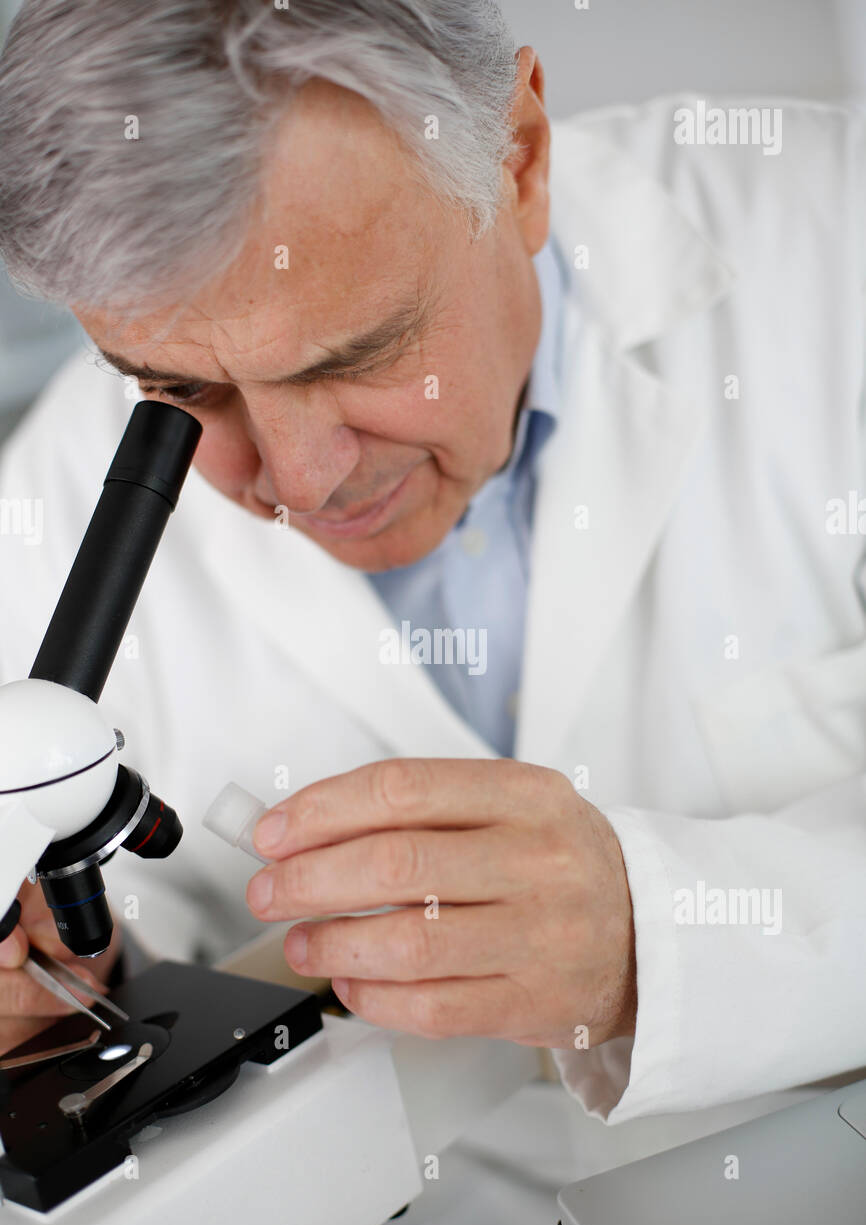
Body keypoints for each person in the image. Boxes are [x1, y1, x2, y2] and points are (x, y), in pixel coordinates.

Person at [0, 0, 863, 1131]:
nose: (297, 484)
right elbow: (114, 935)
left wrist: (663, 934)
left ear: (519, 161)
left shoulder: (830, 249)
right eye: (179, 393)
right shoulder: (48, 500)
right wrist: (69, 986)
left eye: (361, 355)